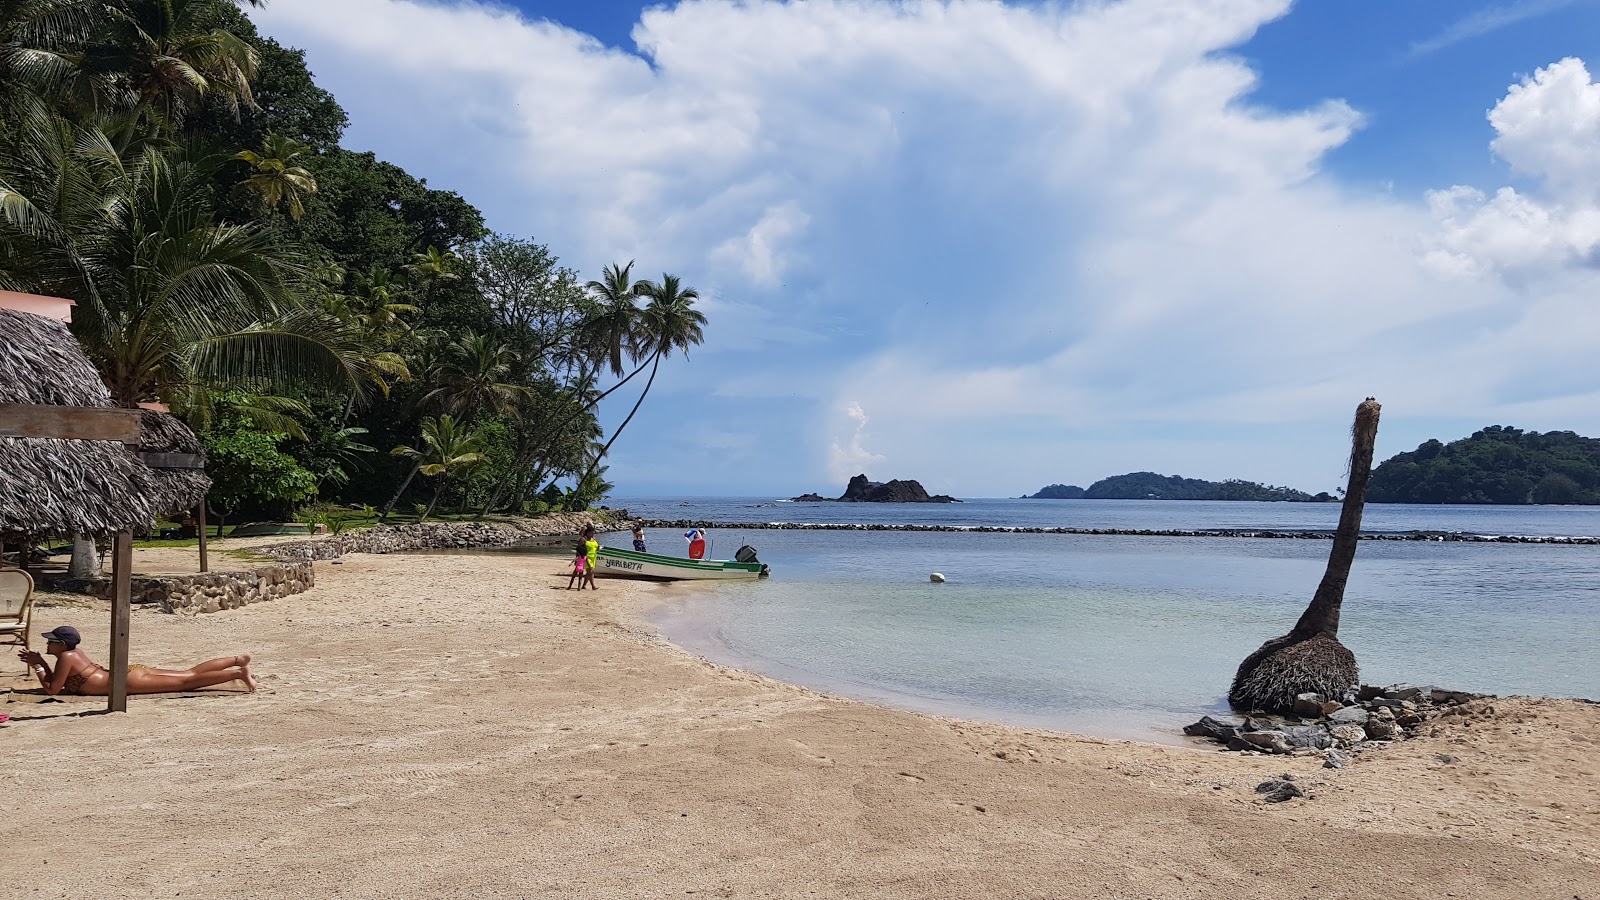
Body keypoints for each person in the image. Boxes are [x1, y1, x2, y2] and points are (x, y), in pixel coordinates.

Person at [18, 625, 257, 696]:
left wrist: (38, 665)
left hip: (126, 682)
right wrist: (42, 662)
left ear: (62, 644)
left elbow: (52, 690)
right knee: (188, 673)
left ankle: (237, 673)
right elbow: (59, 680)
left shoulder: (65, 658)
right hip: (130, 672)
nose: (47, 644)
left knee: (187, 682)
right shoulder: (73, 654)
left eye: (51, 641)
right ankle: (237, 659)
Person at [581, 525, 600, 590]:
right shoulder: (584, 540)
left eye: (593, 533)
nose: (593, 534)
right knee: (591, 572)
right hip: (587, 558)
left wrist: (598, 548)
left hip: (593, 557)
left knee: (589, 572)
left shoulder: (594, 539)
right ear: (588, 533)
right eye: (591, 533)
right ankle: (593, 586)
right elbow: (581, 549)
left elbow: (596, 547)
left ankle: (584, 585)